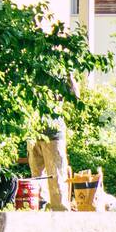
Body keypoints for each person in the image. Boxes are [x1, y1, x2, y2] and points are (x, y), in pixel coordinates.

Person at [26, 73, 80, 211]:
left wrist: (70, 75)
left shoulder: (59, 75)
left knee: (57, 179)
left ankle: (60, 216)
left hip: (54, 134)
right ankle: (40, 211)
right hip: (33, 133)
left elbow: (75, 97)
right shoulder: (31, 69)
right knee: (36, 181)